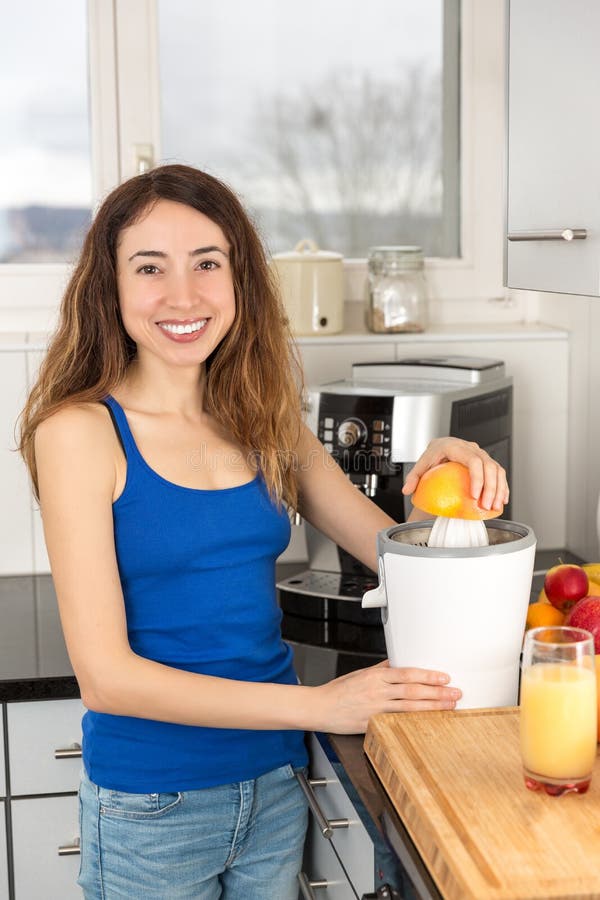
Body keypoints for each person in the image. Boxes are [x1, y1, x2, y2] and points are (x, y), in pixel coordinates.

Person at [19, 164, 508, 900]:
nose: (182, 295)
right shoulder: (81, 433)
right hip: (155, 805)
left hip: (275, 785)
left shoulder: (262, 420)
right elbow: (107, 678)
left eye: (207, 264)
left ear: (239, 279)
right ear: (110, 287)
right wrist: (319, 707)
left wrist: (450, 488)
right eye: (150, 267)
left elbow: (394, 557)